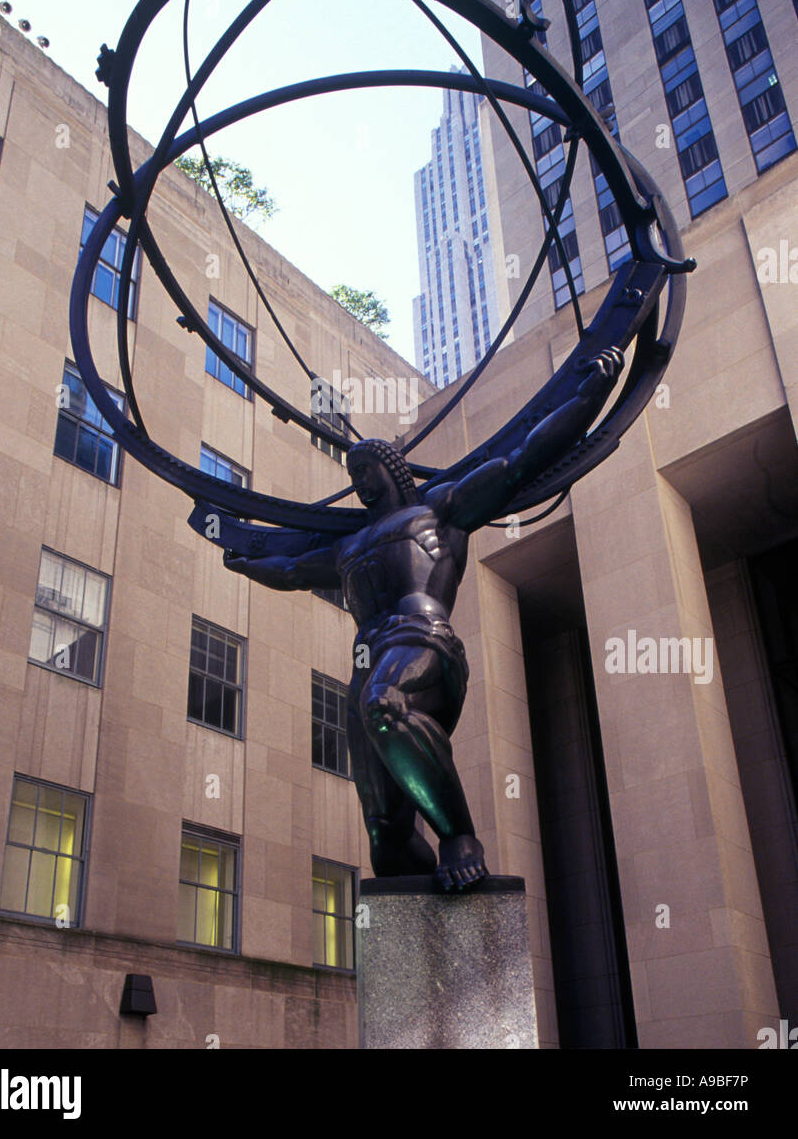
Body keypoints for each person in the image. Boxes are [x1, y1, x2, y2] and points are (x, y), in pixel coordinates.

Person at [224, 348, 623, 889]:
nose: (359, 482)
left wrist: (589, 395)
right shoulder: (350, 546)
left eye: (366, 470)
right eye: (352, 474)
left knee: (385, 706)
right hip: (368, 658)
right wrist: (236, 553)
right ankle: (426, 922)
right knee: (385, 836)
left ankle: (460, 836)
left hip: (422, 642)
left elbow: (523, 460)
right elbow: (291, 567)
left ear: (391, 469)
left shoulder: (439, 510)